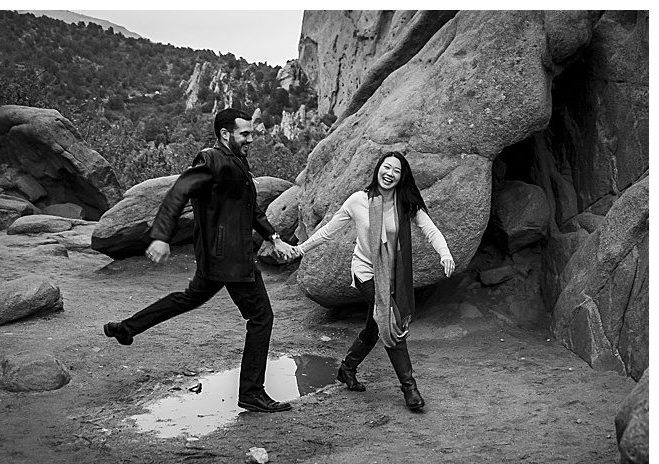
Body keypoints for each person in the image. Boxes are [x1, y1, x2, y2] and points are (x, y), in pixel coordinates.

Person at [100, 108, 301, 413]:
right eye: (244, 134)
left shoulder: (235, 159)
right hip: (231, 259)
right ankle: (250, 392)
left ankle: (127, 328)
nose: (251, 139)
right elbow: (178, 192)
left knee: (188, 298)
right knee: (261, 318)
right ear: (225, 134)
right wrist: (161, 235)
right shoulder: (212, 160)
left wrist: (274, 238)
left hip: (218, 259)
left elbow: (250, 209)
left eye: (251, 133)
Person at [297, 151, 454, 410]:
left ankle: (347, 368)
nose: (389, 173)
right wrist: (300, 249)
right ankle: (410, 389)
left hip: (392, 275)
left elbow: (430, 229)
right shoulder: (359, 201)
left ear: (402, 177)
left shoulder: (406, 203)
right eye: (386, 167)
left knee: (374, 326)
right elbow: (327, 231)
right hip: (366, 272)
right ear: (378, 169)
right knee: (388, 321)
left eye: (396, 170)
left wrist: (445, 253)